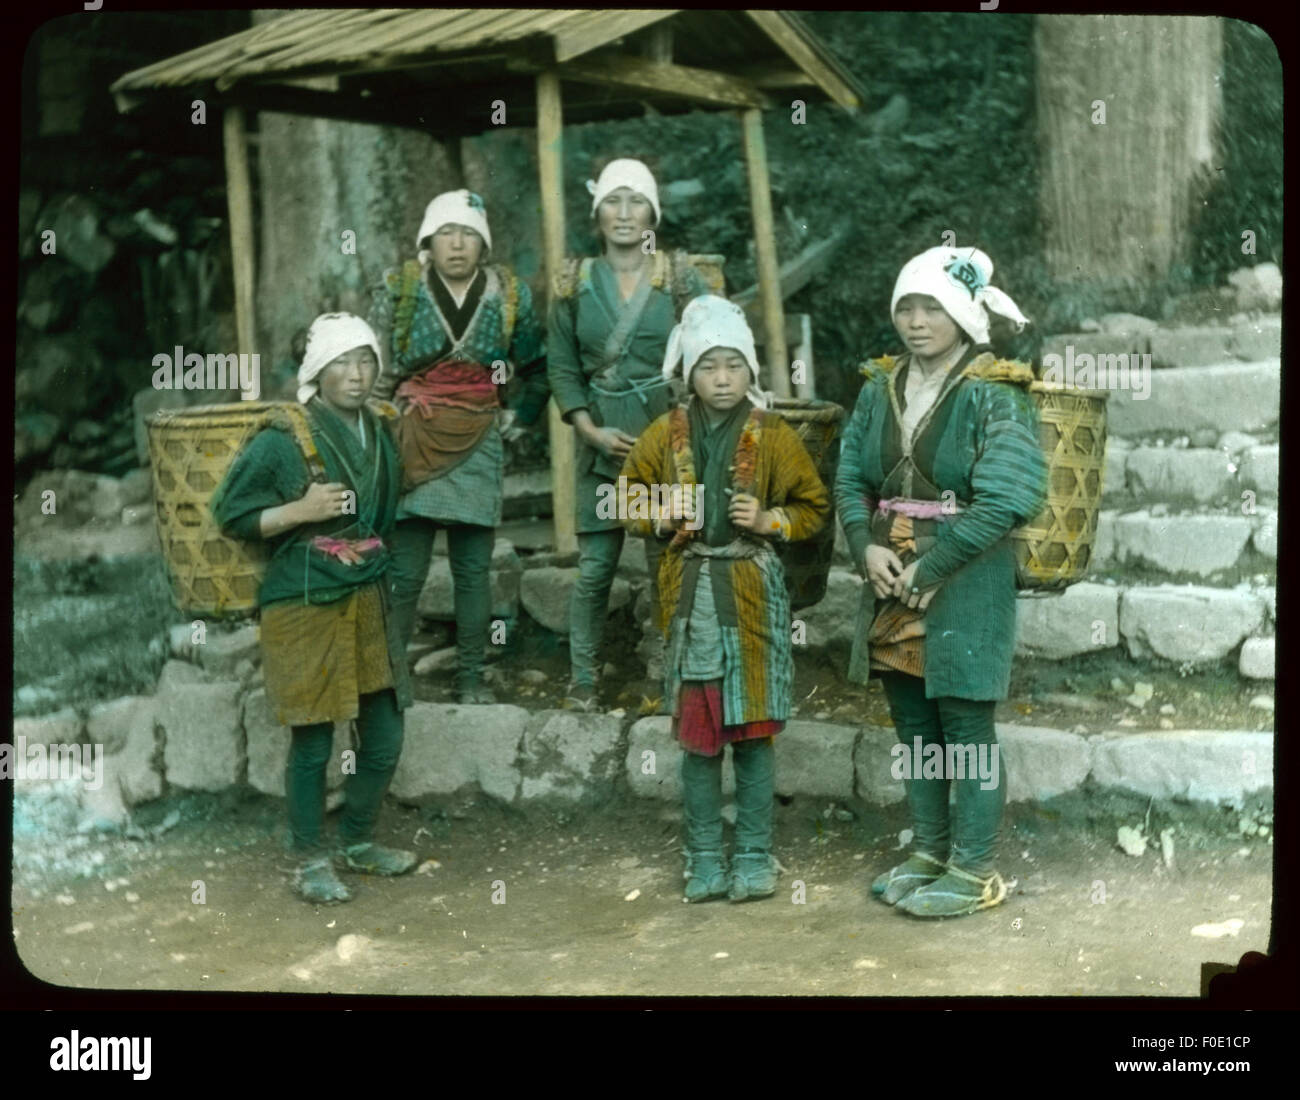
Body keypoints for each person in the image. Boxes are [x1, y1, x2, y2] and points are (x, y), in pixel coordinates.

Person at [835, 247, 1048, 918]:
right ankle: (929, 850)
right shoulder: (879, 388)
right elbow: (851, 478)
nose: (917, 321)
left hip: (966, 573)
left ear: (961, 314)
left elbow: (1009, 497)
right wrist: (864, 545)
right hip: (892, 572)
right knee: (914, 726)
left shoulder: (995, 391)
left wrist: (936, 566)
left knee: (964, 722)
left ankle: (976, 869)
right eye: (906, 307)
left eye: (932, 307)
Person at [620, 295, 829, 902]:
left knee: (754, 734)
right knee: (699, 738)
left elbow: (814, 507)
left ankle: (756, 857)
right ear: (689, 372)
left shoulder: (775, 437)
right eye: (709, 366)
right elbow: (623, 500)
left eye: (734, 366)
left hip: (751, 601)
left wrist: (769, 520)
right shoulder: (663, 436)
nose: (722, 378)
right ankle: (705, 858)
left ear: (751, 373)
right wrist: (659, 512)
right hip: (692, 604)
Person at [211, 313, 418, 904]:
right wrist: (300, 511)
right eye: (341, 364)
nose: (355, 376)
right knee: (314, 739)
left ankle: (357, 840)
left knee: (383, 731)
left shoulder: (379, 432)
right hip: (302, 599)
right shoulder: (284, 436)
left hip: (367, 591)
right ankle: (308, 858)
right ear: (317, 372)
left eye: (365, 363)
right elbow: (232, 513)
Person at [369, 189, 548, 704]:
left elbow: (535, 368)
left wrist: (524, 413)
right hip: (413, 437)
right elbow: (377, 372)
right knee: (405, 571)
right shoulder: (400, 291)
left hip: (479, 436)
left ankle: (470, 677)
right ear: (428, 240)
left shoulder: (509, 295)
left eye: (469, 235)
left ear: (483, 245)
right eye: (447, 233)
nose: (457, 245)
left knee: (473, 570)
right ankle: (391, 682)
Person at [547, 158, 709, 710]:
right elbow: (562, 365)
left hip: (663, 437)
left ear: (652, 213)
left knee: (665, 560)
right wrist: (588, 429)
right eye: (611, 202)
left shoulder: (680, 278)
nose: (623, 213)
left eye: (634, 201)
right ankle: (584, 681)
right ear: (597, 214)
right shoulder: (573, 283)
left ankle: (670, 678)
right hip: (601, 441)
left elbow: (716, 349)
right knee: (595, 570)